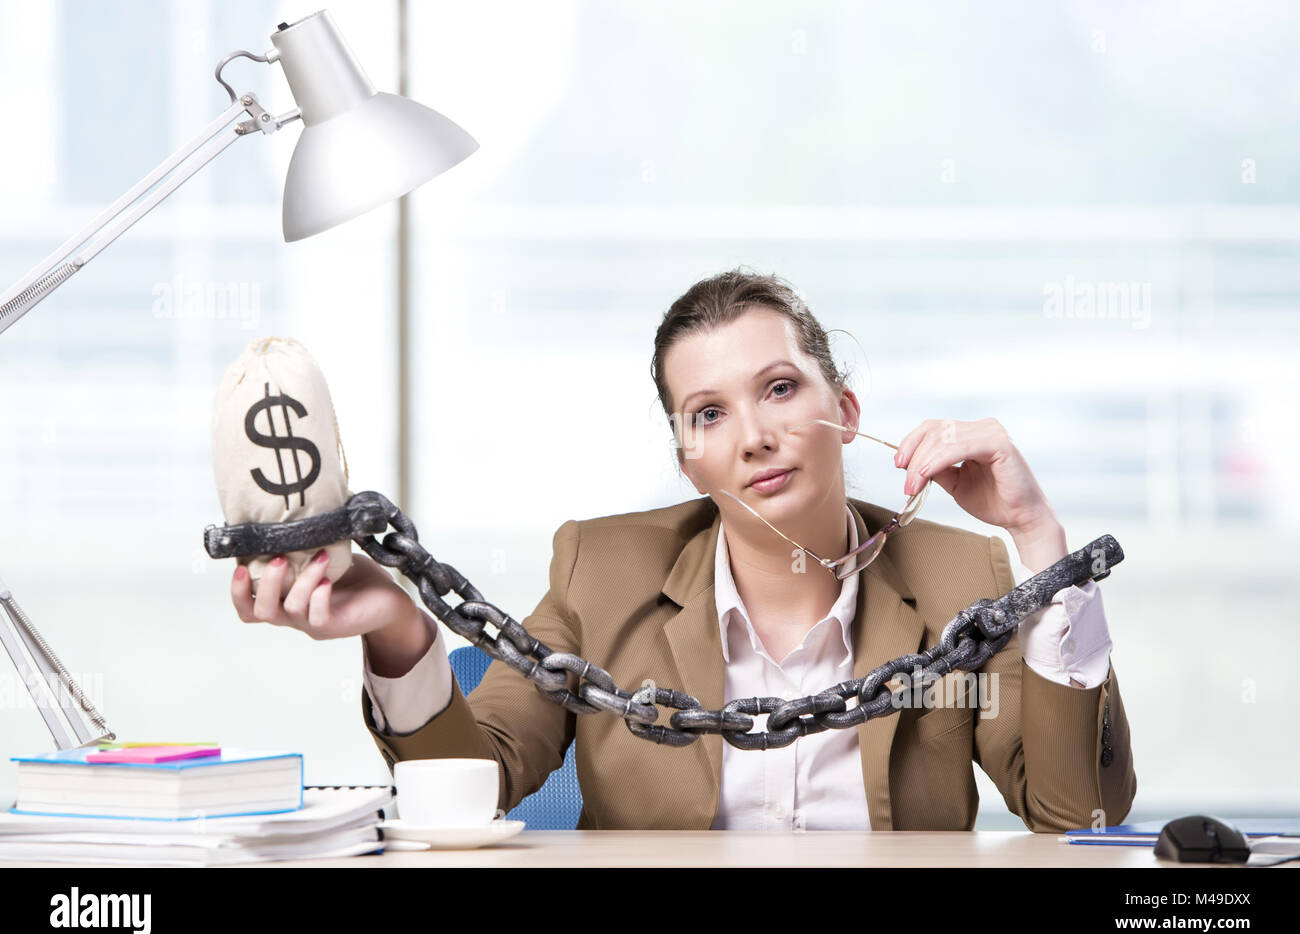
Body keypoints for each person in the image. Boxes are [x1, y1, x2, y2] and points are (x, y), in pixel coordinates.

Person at [230, 268, 1136, 831]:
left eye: (779, 388)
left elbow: (1070, 810)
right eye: (710, 413)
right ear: (686, 458)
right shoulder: (600, 569)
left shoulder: (963, 575)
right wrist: (395, 625)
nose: (752, 436)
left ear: (847, 412)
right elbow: (481, 784)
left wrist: (1038, 542)